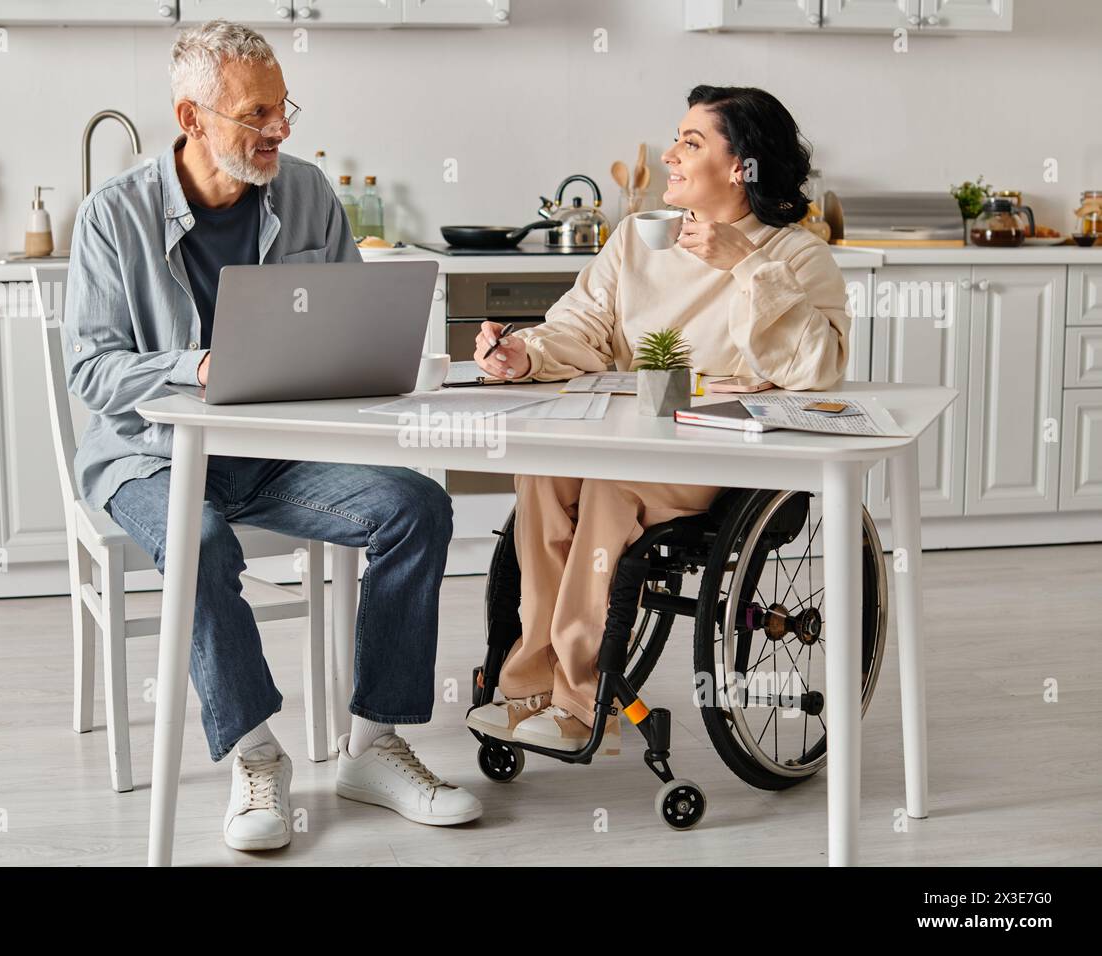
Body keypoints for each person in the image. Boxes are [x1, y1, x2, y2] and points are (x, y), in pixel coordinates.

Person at [63, 19, 480, 853]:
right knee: (201, 539)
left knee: (419, 507)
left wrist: (400, 365)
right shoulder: (112, 218)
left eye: (283, 108)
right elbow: (93, 374)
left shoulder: (309, 195)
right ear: (191, 117)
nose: (280, 131)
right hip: (148, 459)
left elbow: (350, 334)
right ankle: (256, 757)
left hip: (277, 456)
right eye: (257, 115)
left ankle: (374, 746)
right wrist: (198, 367)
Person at [464, 85, 849, 754]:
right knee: (544, 475)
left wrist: (745, 264)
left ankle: (584, 701)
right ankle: (528, 682)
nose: (670, 154)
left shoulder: (795, 257)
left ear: (741, 166)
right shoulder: (640, 241)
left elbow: (818, 371)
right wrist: (523, 354)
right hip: (627, 436)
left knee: (612, 490)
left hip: (718, 459)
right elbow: (582, 325)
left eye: (691, 143)